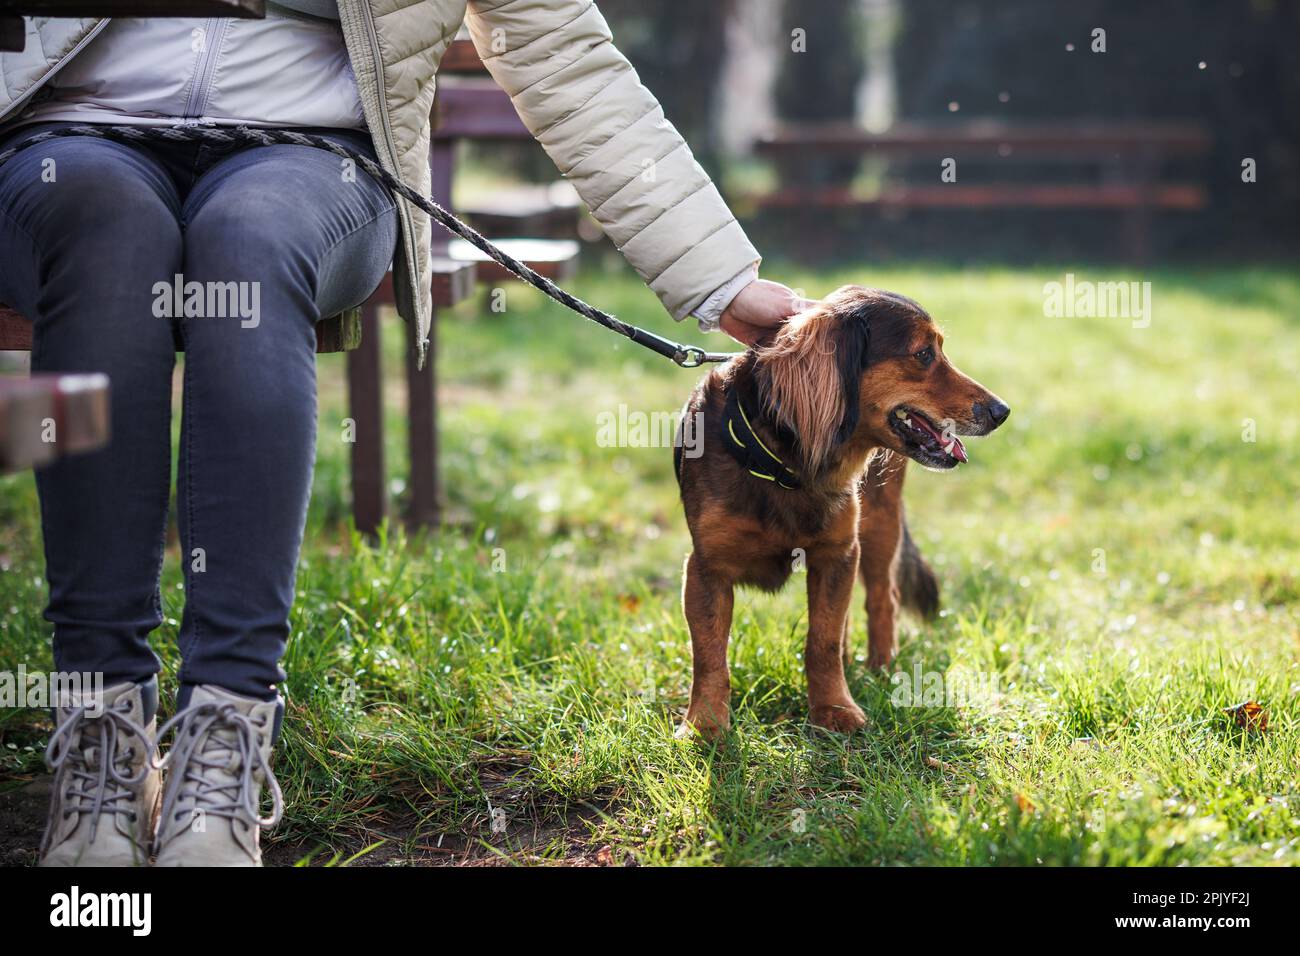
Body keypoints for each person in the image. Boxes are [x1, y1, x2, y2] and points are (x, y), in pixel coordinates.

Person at [0, 1, 802, 867]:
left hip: (311, 157)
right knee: (106, 229)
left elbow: (555, 43)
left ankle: (225, 739)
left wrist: (719, 278)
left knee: (250, 238)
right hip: (65, 137)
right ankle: (101, 733)